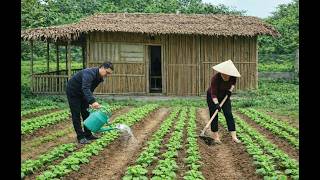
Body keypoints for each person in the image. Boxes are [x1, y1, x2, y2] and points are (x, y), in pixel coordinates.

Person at [66, 61, 113, 144]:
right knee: (76, 114)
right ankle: (80, 137)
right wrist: (92, 101)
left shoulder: (99, 78)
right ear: (102, 68)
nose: (107, 75)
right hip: (73, 92)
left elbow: (90, 89)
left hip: (83, 92)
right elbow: (85, 88)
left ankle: (88, 134)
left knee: (86, 113)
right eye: (107, 72)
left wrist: (89, 101)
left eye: (109, 74)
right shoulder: (89, 73)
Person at [206, 60, 241, 144]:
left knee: (228, 114)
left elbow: (233, 84)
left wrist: (230, 91)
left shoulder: (233, 77)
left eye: (227, 74)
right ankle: (216, 137)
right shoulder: (215, 78)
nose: (225, 75)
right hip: (212, 97)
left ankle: (234, 137)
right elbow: (213, 93)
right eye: (223, 73)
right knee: (214, 114)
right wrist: (217, 104)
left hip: (225, 96)